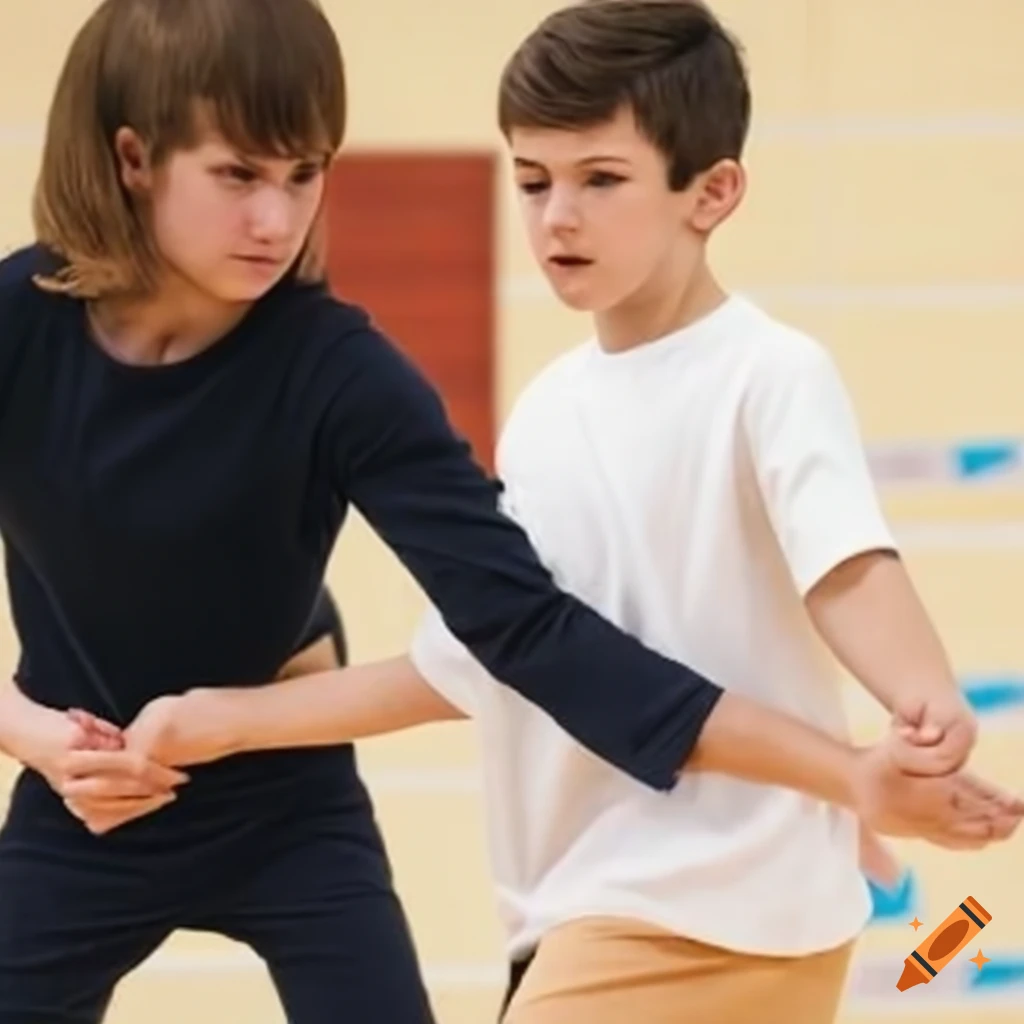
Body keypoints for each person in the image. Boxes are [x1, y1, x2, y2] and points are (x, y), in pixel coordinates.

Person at [5, 0, 985, 1021]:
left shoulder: (347, 372)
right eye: (238, 174)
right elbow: (473, 659)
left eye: (304, 174)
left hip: (411, 831)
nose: (278, 219)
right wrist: (38, 733)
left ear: (714, 191)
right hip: (101, 801)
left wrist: (864, 761)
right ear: (131, 158)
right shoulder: (16, 326)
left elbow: (541, 630)